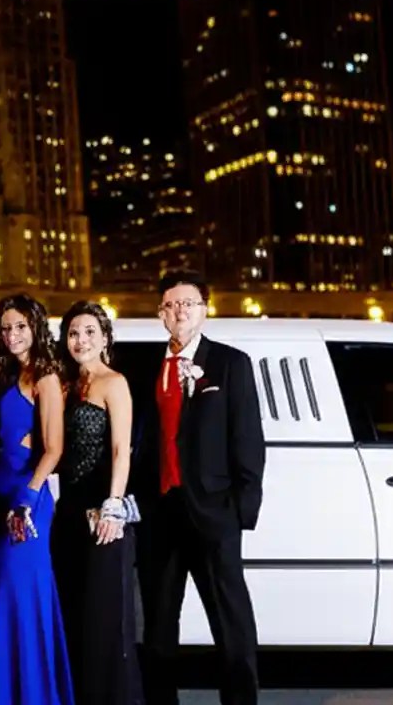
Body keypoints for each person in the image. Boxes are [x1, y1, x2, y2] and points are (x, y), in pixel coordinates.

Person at [135, 271, 265, 705]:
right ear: (160, 314)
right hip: (161, 514)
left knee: (231, 627)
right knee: (157, 629)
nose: (179, 311)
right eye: (171, 305)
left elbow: (247, 440)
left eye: (188, 303)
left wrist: (240, 511)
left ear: (205, 310)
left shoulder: (230, 364)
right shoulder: (146, 370)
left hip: (214, 515)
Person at [0, 294, 73, 705]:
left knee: (21, 594)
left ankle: (31, 694)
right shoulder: (1, 374)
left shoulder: (44, 377)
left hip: (27, 499)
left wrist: (27, 499)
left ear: (36, 329)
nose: (12, 335)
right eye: (5, 327)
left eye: (21, 327)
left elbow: (54, 448)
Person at [52, 301, 143, 705]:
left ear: (105, 338)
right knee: (71, 612)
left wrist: (113, 506)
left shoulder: (114, 383)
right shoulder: (64, 385)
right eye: (73, 333)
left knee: (104, 621)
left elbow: (123, 449)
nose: (81, 340)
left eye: (90, 331)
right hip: (67, 513)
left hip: (101, 515)